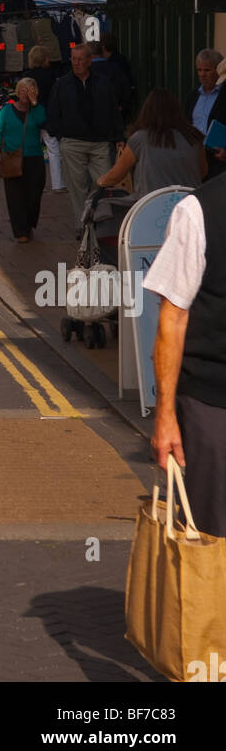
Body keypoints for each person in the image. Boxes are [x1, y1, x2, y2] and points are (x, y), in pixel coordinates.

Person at [145, 169, 226, 536]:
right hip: (212, 404)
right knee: (213, 539)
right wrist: (165, 416)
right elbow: (172, 318)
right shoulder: (198, 211)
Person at [46, 42, 124, 229]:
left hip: (100, 142)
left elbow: (113, 109)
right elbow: (53, 112)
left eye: (81, 59)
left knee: (103, 183)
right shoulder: (62, 84)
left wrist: (118, 136)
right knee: (77, 187)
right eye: (74, 59)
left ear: (90, 61)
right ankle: (83, 227)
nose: (76, 63)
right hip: (72, 142)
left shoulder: (103, 82)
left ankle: (100, 222)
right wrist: (60, 135)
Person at [97, 88, 207, 195]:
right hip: (189, 204)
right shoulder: (194, 137)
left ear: (146, 111)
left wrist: (101, 181)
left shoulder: (140, 138)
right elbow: (202, 172)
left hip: (150, 205)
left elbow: (116, 176)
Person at [0, 77, 48, 244]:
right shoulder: (7, 111)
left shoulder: (38, 110)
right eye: (23, 90)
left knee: (34, 194)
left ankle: (29, 223)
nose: (26, 93)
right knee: (15, 196)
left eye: (30, 90)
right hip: (12, 158)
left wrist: (35, 103)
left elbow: (43, 123)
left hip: (34, 158)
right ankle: (20, 230)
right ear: (18, 91)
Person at [24, 45, 64, 192]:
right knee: (53, 150)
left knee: (31, 151)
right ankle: (58, 184)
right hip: (47, 117)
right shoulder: (50, 76)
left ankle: (31, 184)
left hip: (30, 116)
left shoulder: (26, 77)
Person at [184, 48, 226, 180]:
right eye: (199, 70)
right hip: (194, 158)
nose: (202, 74)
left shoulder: (224, 95)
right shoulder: (193, 96)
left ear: (218, 71)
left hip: (218, 160)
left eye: (207, 70)